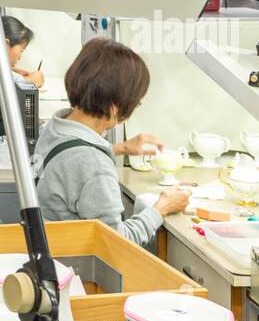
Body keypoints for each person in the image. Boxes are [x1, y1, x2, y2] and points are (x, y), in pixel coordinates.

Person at [33, 38, 189, 247]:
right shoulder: (93, 165)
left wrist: (121, 148)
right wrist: (161, 208)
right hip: (76, 268)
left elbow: (69, 164)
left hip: (48, 250)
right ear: (115, 107)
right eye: (136, 102)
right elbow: (116, 243)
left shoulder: (55, 126)